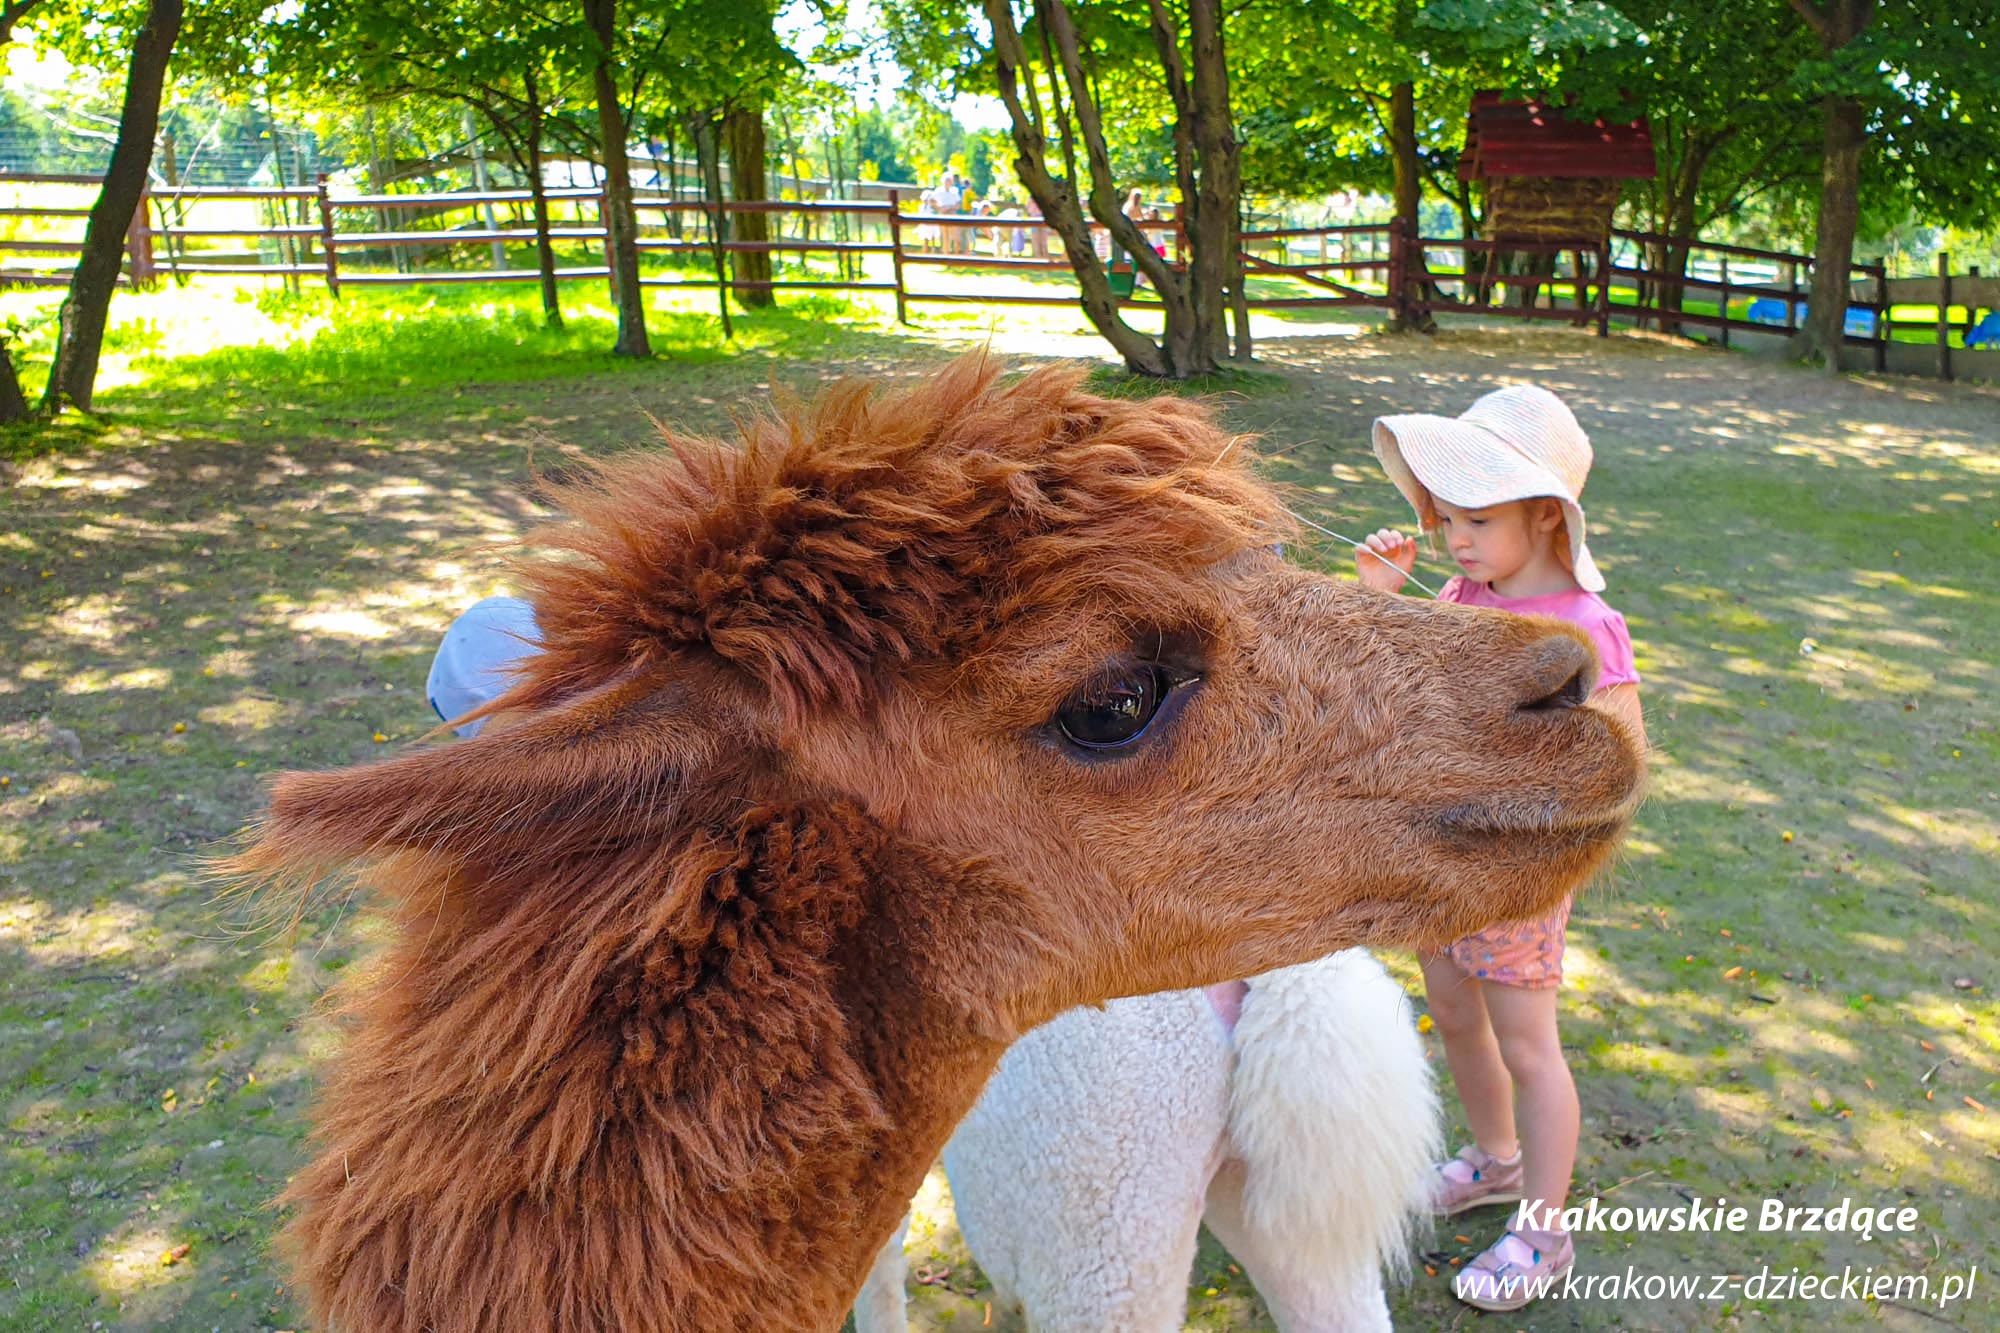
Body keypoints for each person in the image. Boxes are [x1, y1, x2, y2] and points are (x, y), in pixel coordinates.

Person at [1354, 384, 1647, 1314]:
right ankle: (1493, 1159)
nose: (1454, 538)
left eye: (1476, 519)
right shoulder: (1457, 593)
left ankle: (1543, 1229)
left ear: (1546, 518)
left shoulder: (1586, 626)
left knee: (1529, 1045)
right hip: (1446, 859)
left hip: (1517, 873)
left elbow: (1617, 764)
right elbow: (1410, 694)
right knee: (1454, 1010)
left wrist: (1535, 814)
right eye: (1446, 517)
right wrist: (1384, 602)